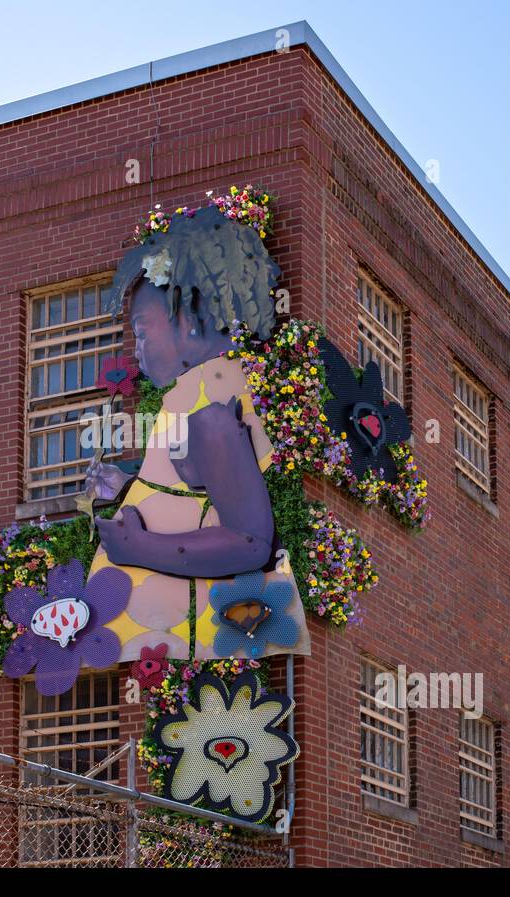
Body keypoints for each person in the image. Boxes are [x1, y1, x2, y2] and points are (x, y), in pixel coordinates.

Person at [85, 204, 309, 661]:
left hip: (194, 628)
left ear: (188, 322)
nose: (137, 350)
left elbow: (250, 541)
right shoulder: (195, 397)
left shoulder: (209, 408)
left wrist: (140, 546)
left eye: (142, 332)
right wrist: (131, 488)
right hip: (169, 628)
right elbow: (198, 493)